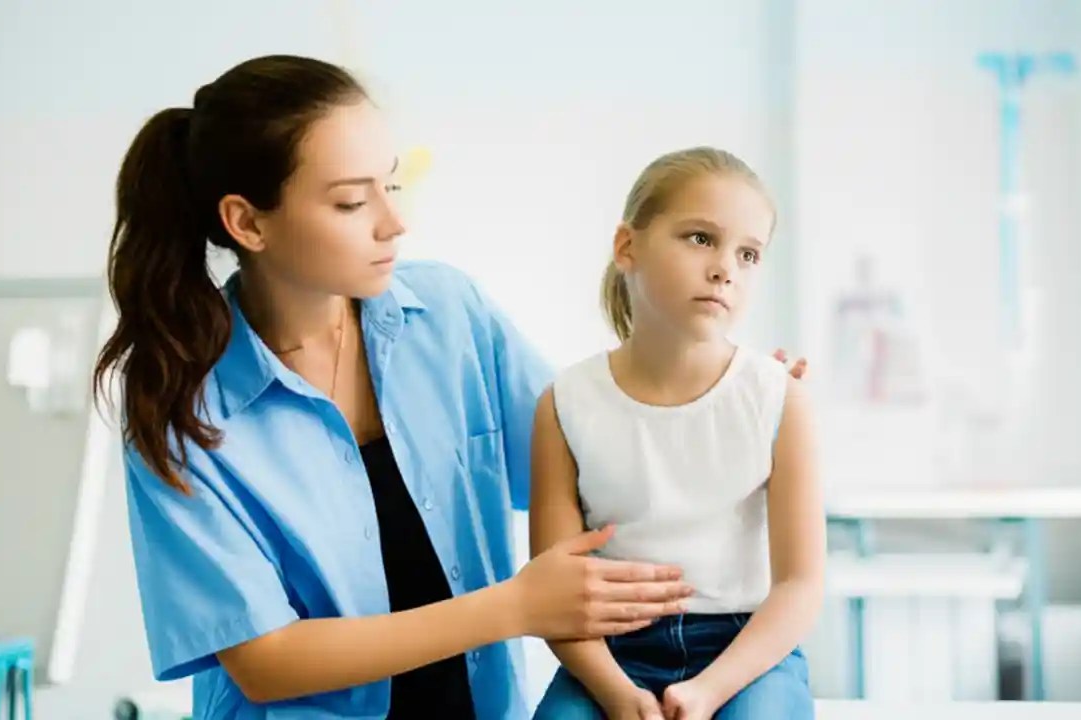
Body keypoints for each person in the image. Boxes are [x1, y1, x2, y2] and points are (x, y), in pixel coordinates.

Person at [93, 55, 805, 719]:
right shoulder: (181, 408)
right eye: (349, 203)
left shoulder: (450, 317)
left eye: (392, 185)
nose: (395, 222)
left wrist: (717, 396)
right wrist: (516, 608)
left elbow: (598, 469)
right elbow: (265, 661)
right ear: (247, 222)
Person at [529, 147, 825, 719]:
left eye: (748, 254)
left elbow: (801, 586)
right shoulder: (564, 404)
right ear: (627, 248)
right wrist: (617, 693)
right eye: (699, 238)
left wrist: (709, 691)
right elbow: (554, 594)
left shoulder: (779, 398)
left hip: (747, 651)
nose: (725, 269)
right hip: (611, 655)